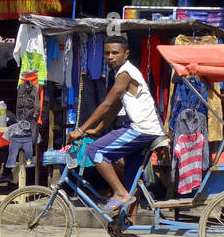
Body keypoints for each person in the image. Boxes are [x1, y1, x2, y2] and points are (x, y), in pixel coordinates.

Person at [68, 36, 165, 217]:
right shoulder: (124, 72)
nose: (110, 56)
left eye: (115, 52)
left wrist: (80, 130)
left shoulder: (125, 73)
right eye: (107, 53)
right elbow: (116, 107)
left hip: (141, 129)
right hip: (147, 130)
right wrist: (97, 129)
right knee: (131, 177)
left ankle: (119, 194)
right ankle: (129, 224)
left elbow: (106, 104)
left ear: (126, 54)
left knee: (95, 152)